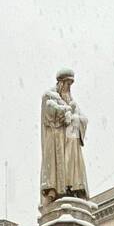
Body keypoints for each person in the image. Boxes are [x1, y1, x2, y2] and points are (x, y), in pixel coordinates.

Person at [40, 68, 89, 210]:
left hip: (70, 142)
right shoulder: (49, 96)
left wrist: (74, 119)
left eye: (70, 85)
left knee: (71, 163)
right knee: (56, 167)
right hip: (55, 140)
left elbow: (83, 119)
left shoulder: (71, 101)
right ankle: (54, 189)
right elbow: (49, 115)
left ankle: (74, 187)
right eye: (67, 84)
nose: (68, 88)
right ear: (60, 83)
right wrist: (64, 111)